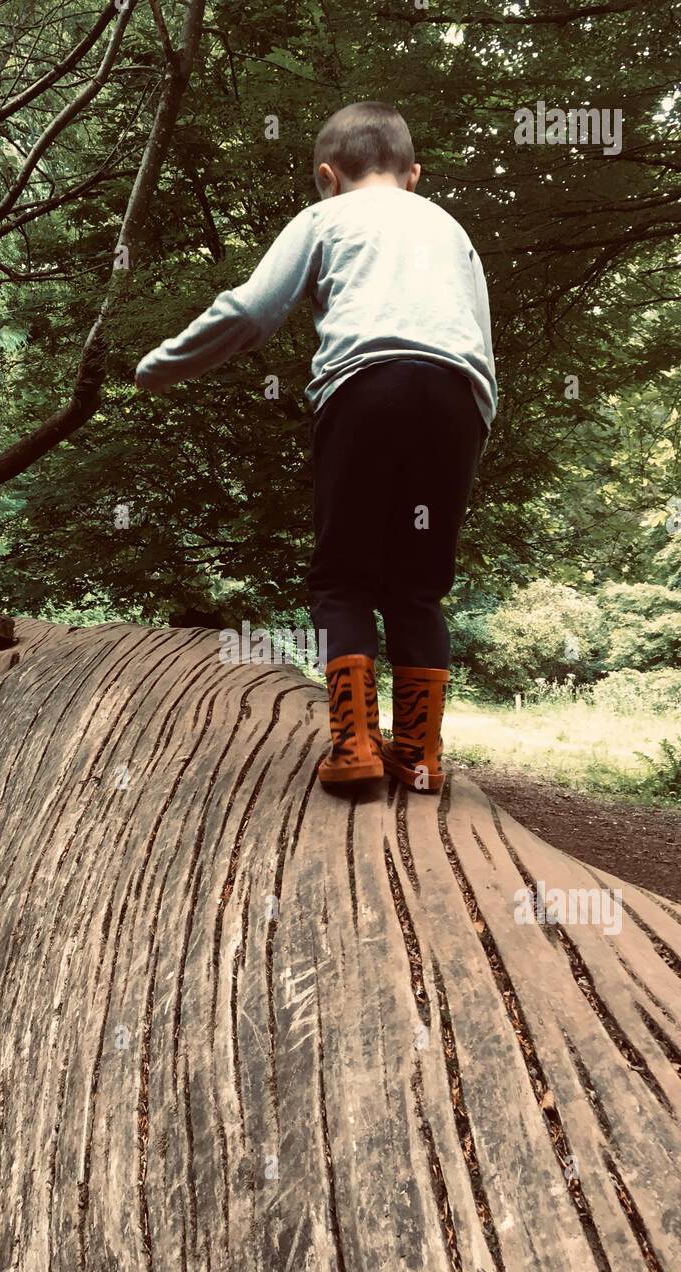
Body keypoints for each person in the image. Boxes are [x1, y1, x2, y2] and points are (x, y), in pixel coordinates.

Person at [135, 101, 497, 792]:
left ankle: (355, 749)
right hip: (456, 403)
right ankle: (420, 757)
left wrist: (159, 367)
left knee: (343, 576)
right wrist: (475, 425)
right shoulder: (453, 231)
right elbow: (482, 341)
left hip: (364, 391)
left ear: (329, 176)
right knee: (419, 587)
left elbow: (249, 312)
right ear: (413, 174)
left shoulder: (324, 218)